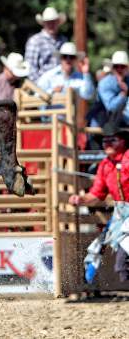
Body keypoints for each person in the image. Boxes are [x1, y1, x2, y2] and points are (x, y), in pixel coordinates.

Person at [69, 121, 129, 283]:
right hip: (121, 212)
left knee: (122, 262)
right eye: (105, 141)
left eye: (112, 140)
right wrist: (81, 199)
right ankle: (86, 279)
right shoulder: (105, 166)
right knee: (102, 246)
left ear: (123, 141)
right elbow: (97, 194)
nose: (107, 144)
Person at [24, 6, 68, 82]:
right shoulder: (35, 41)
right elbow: (30, 68)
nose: (51, 24)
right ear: (44, 23)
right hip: (42, 86)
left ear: (58, 22)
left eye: (53, 21)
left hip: (62, 84)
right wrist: (42, 86)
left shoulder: (63, 40)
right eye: (48, 22)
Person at [88, 50, 129, 128]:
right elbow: (111, 107)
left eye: (122, 66)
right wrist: (124, 94)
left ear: (127, 68)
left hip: (120, 126)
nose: (119, 69)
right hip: (100, 128)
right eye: (116, 66)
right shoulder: (104, 84)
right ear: (112, 68)